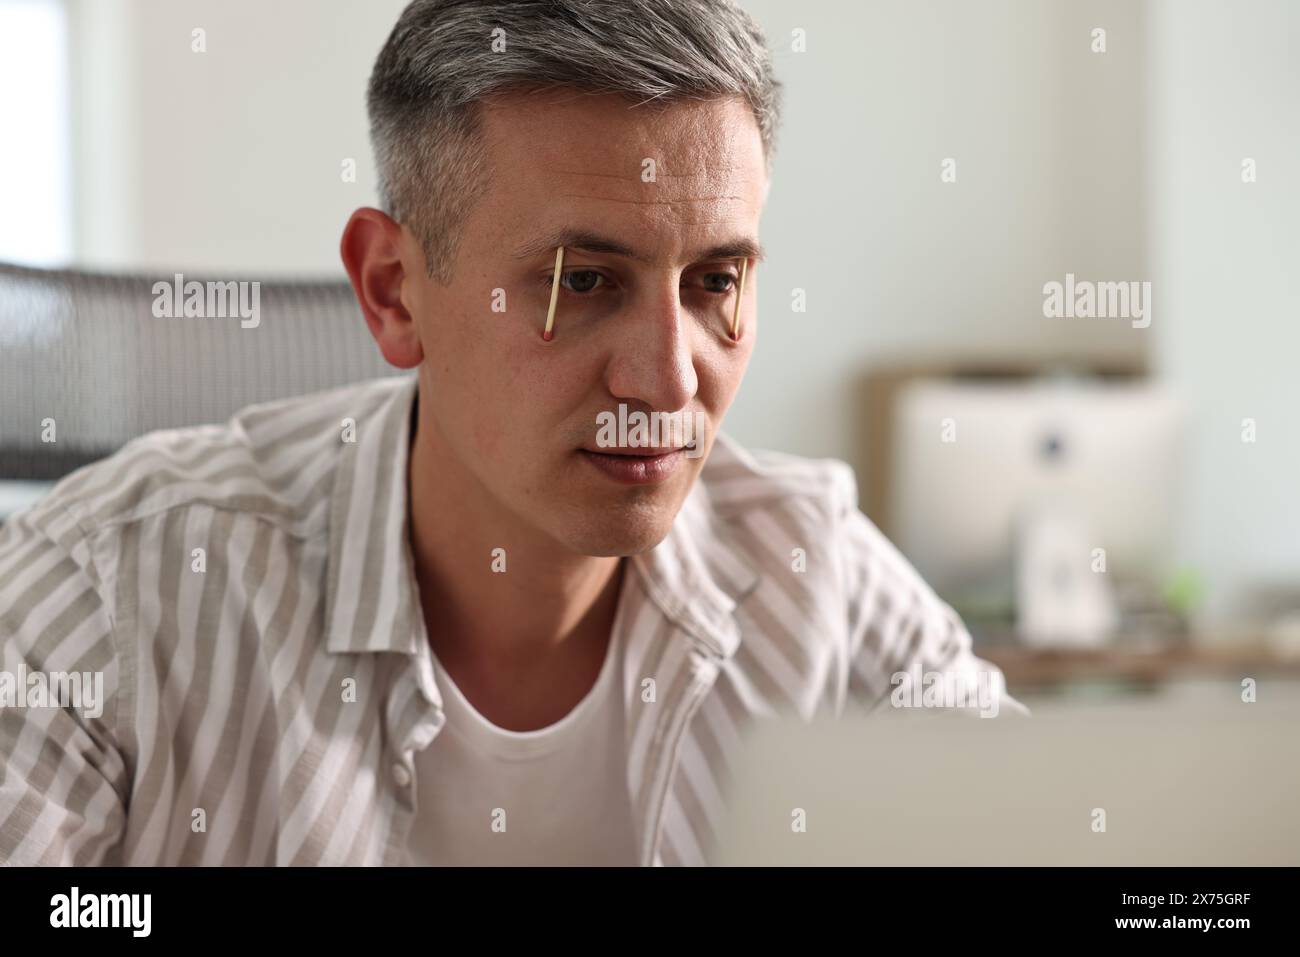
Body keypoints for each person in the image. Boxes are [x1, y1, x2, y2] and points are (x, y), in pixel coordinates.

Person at [0, 0, 1016, 867]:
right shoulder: (99, 596)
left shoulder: (817, 578)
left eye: (715, 283)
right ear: (395, 292)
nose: (668, 377)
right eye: (581, 283)